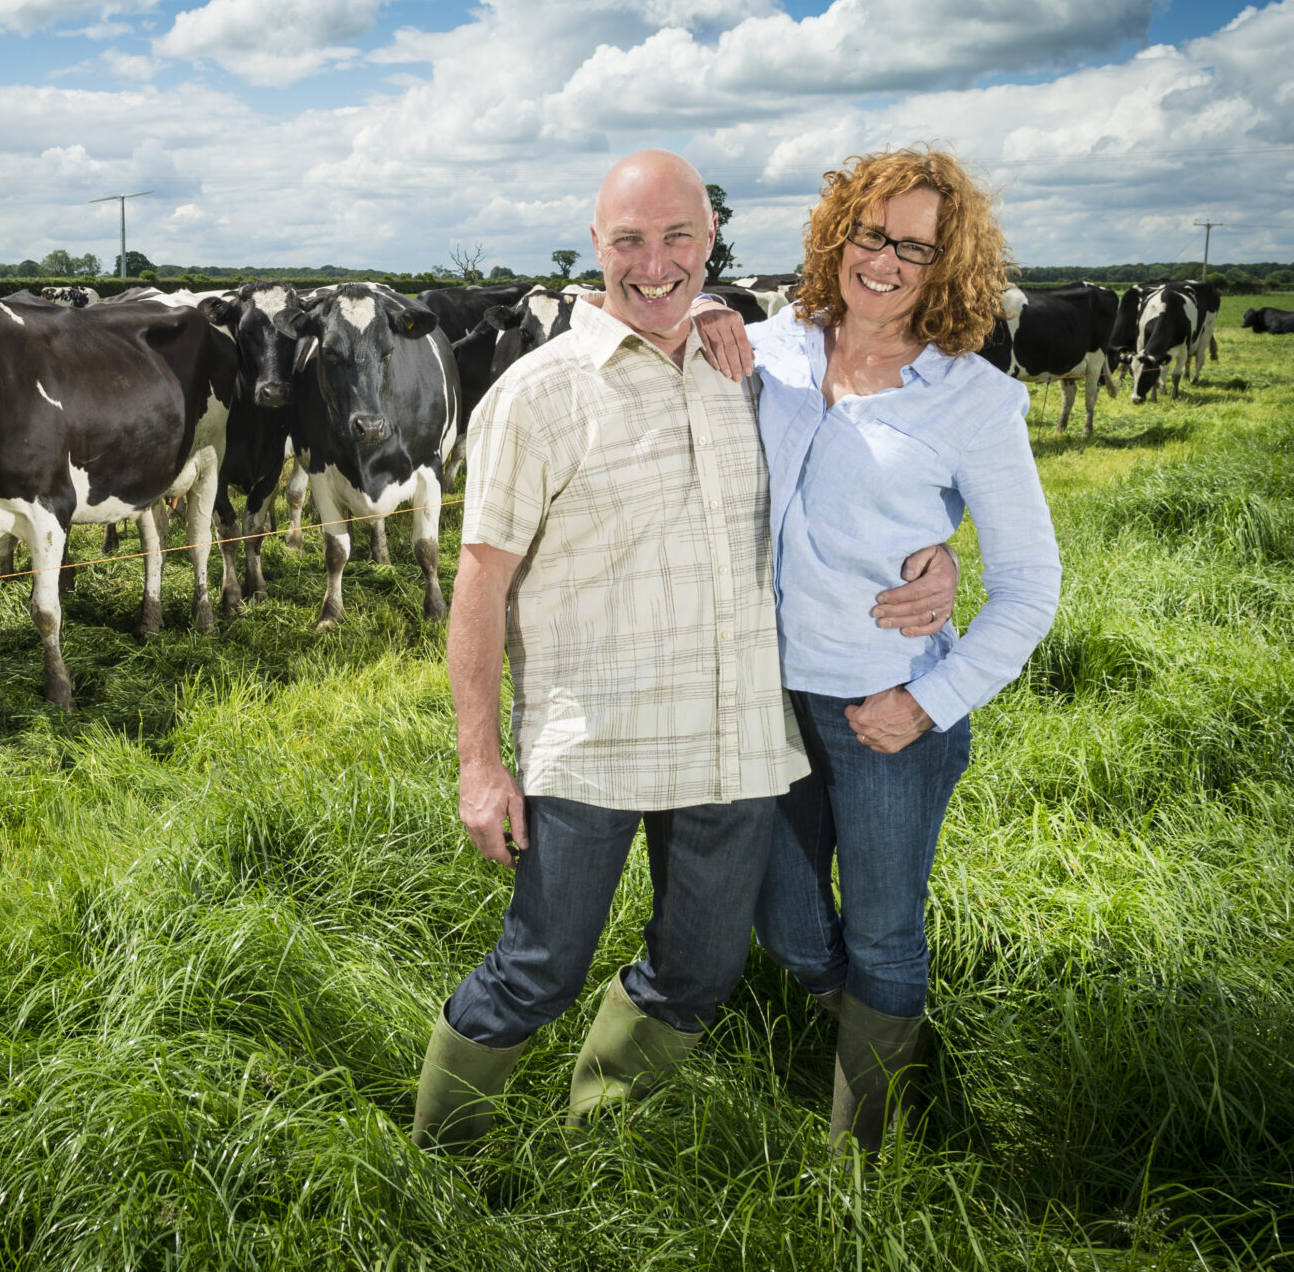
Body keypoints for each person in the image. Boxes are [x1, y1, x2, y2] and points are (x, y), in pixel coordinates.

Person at [412, 149, 958, 1151]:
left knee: (700, 969)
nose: (652, 263)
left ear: (710, 243)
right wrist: (478, 762)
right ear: (595, 246)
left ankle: (599, 1135)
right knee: (539, 966)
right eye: (628, 239)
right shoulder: (536, 394)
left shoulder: (752, 373)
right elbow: (478, 585)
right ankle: (443, 1161)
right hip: (592, 740)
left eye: (677, 238)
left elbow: (861, 485)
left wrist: (936, 556)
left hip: (731, 741)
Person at [702, 144, 1061, 1155]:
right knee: (782, 919)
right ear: (836, 234)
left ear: (944, 266)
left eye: (915, 246)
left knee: (882, 930)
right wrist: (694, 316)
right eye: (871, 233)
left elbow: (1032, 583)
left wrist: (928, 699)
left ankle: (858, 1148)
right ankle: (853, 1028)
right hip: (759, 694)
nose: (886, 260)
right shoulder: (768, 351)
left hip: (881, 713)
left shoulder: (971, 399)